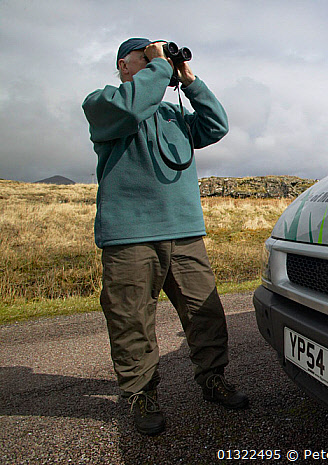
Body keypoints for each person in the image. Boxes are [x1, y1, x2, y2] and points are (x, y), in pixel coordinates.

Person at [82, 38, 248, 436]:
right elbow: (130, 107)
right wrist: (158, 67)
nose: (159, 63)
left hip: (185, 232)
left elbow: (216, 126)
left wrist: (189, 80)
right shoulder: (103, 102)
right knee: (132, 319)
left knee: (203, 312)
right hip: (130, 236)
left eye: (160, 58)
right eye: (146, 57)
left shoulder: (174, 113)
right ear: (124, 65)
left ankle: (212, 378)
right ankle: (141, 393)